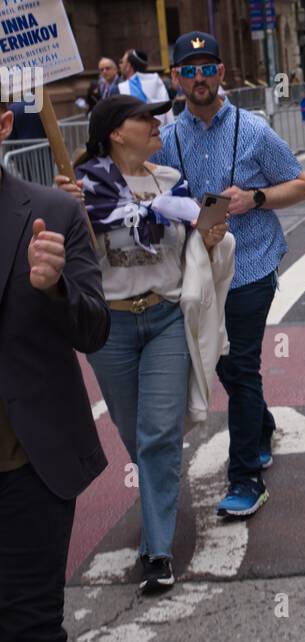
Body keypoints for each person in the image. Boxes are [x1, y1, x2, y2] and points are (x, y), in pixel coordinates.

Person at [57, 95, 234, 592]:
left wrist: (211, 238)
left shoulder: (170, 185)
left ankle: (157, 550)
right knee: (136, 437)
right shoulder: (81, 189)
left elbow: (194, 252)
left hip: (163, 320)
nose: (157, 124)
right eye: (144, 118)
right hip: (109, 330)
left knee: (158, 434)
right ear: (115, 132)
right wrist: (67, 212)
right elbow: (68, 260)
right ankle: (157, 500)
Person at [0, 94, 110, 642]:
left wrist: (54, 289)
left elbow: (96, 324)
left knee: (29, 632)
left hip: (25, 463)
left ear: (3, 124)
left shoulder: (49, 214)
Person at [156, 33, 305, 515]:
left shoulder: (255, 129)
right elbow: (141, 195)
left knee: (239, 364)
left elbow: (301, 184)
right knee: (220, 364)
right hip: (198, 274)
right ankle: (260, 424)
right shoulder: (164, 140)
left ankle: (245, 477)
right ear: (176, 78)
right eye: (189, 69)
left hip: (250, 265)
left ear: (222, 73)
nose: (199, 77)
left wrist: (255, 198)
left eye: (208, 68)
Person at [119, 49, 173, 125]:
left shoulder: (126, 87)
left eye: (122, 62)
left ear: (128, 66)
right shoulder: (157, 80)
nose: (119, 65)